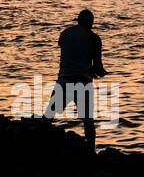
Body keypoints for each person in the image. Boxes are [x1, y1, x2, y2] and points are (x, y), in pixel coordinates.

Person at [43, 9, 107, 152]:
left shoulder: (64, 34)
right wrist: (101, 73)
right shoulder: (94, 38)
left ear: (77, 21)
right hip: (82, 83)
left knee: (49, 116)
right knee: (88, 122)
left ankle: (40, 144)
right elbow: (97, 66)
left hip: (64, 81)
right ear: (91, 23)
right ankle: (91, 151)